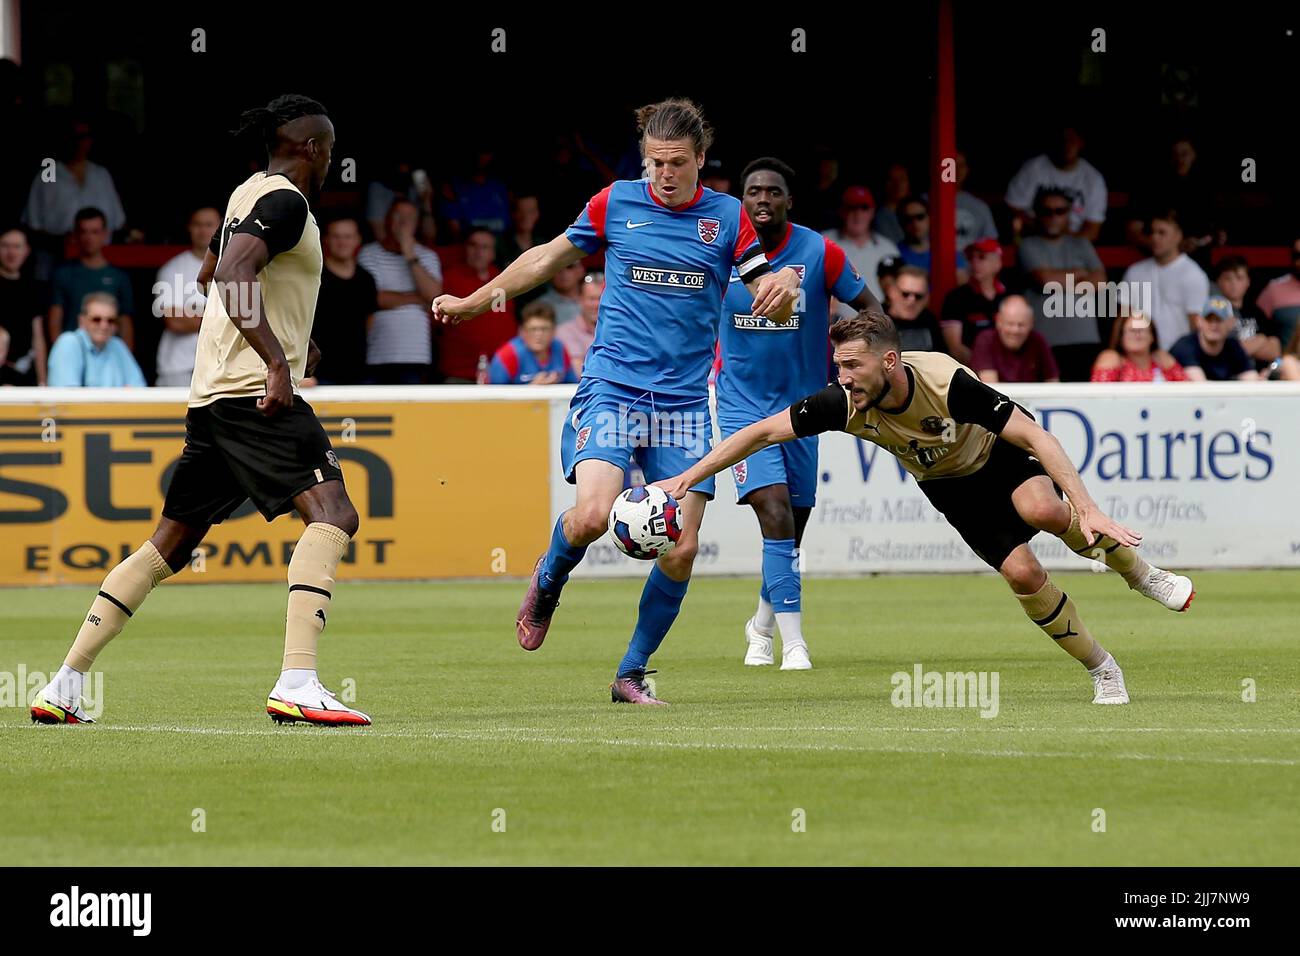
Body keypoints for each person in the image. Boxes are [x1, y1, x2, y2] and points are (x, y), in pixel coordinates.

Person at [432, 98, 800, 705]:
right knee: (593, 517)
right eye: (654, 162)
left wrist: (783, 286)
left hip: (682, 405)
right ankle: (548, 580)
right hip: (613, 386)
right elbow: (549, 257)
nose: (664, 174)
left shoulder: (728, 218)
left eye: (677, 163)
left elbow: (765, 283)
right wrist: (480, 298)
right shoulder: (615, 202)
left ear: (701, 161)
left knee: (682, 547)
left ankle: (631, 672)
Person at [30, 95, 370, 727]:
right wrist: (276, 360)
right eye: (329, 149)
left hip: (210, 396)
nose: (332, 161)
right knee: (334, 513)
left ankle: (64, 683)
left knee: (170, 543)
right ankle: (298, 678)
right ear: (311, 149)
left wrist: (295, 340)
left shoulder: (245, 193)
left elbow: (213, 271)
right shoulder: (286, 202)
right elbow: (235, 272)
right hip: (251, 392)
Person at [655, 311, 1195, 706]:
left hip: (995, 455)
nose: (841, 376)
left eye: (851, 365)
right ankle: (1103, 669)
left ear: (888, 361)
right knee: (1023, 574)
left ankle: (1141, 574)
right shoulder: (842, 403)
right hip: (950, 487)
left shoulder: (945, 381)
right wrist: (687, 478)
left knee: (1046, 511)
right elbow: (759, 433)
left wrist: (1089, 508)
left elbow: (1037, 437)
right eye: (837, 364)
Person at [718, 157, 877, 670]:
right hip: (743, 406)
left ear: (789, 201)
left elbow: (872, 311)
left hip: (805, 410)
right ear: (742, 201)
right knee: (776, 514)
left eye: (773, 192)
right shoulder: (719, 251)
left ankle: (761, 623)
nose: (762, 199)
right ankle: (793, 644)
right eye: (753, 192)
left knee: (793, 528)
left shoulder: (820, 252)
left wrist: (857, 358)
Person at [1017, 187, 1107, 381]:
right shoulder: (1028, 244)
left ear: (1069, 214)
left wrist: (1059, 279)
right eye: (1046, 211)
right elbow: (1046, 280)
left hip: (1085, 339)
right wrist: (1080, 273)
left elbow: (1100, 282)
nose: (1053, 216)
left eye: (1060, 211)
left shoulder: (1081, 244)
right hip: (1046, 341)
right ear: (1037, 214)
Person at [357, 198, 443, 384]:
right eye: (398, 216)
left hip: (416, 354)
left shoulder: (427, 256)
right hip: (378, 353)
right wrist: (419, 299)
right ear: (387, 219)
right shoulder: (369, 253)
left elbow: (435, 297)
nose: (403, 223)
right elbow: (375, 298)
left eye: (409, 217)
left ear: (417, 223)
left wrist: (410, 254)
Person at [1119, 209, 1209, 351]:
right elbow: (1122, 319)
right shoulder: (1134, 272)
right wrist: (1113, 352)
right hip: (1141, 358)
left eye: (1162, 233)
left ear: (1178, 236)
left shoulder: (1193, 274)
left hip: (1179, 358)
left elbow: (1196, 324)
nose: (1155, 238)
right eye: (1152, 232)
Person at [48, 207, 136, 350]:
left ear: (105, 234)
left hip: (109, 353)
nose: (89, 238)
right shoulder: (62, 274)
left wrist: (126, 358)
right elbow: (55, 321)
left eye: (95, 232)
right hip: (74, 351)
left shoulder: (119, 277)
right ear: (75, 235)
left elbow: (125, 322)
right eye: (83, 232)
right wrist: (61, 353)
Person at [438, 227, 517, 383]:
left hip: (500, 373)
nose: (478, 251)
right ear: (465, 248)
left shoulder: (501, 279)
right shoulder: (450, 278)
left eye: (485, 247)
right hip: (458, 373)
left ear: (493, 253)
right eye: (473, 245)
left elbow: (504, 319)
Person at [153, 206, 221, 386]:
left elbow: (246, 318)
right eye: (197, 224)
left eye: (209, 224)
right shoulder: (172, 269)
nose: (203, 230)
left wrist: (193, 315)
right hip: (179, 367)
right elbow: (174, 320)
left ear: (221, 228)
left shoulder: (235, 267)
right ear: (189, 228)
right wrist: (222, 318)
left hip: (222, 368)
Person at [1005, 126, 1107, 242]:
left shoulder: (1093, 178)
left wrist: (1064, 242)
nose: (1067, 145)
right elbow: (1013, 207)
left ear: (1081, 143)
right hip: (1034, 238)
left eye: (1072, 140)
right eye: (1062, 140)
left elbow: (1093, 230)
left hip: (1073, 242)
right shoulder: (1034, 168)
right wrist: (1042, 230)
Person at [309, 217, 377, 385]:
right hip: (318, 373)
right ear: (325, 239)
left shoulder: (366, 279)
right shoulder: (313, 277)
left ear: (357, 240)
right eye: (336, 236)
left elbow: (369, 323)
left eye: (348, 236)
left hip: (359, 370)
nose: (342, 242)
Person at [820, 185, 898, 305]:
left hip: (878, 321)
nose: (858, 214)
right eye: (852, 208)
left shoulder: (888, 248)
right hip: (834, 322)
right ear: (842, 211)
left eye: (864, 208)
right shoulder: (823, 242)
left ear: (872, 212)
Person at [46, 292, 144, 387]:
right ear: (82, 320)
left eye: (111, 321)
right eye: (96, 319)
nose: (104, 326)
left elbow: (139, 389)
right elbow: (68, 398)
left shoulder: (117, 345)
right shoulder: (69, 343)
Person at [940, 237, 1006, 363]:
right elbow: (955, 348)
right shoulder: (955, 298)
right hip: (972, 374)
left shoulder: (1010, 296)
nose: (974, 263)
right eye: (970, 258)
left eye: (981, 257)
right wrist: (984, 369)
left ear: (997, 263)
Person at [970, 294, 1059, 384]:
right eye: (1010, 324)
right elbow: (991, 388)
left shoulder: (1037, 340)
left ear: (1031, 323)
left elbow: (1053, 383)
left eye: (1021, 325)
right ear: (999, 321)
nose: (1015, 330)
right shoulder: (986, 340)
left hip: (1032, 397)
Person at [1169, 296, 1259, 382]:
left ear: (1231, 323)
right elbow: (1201, 388)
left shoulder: (1233, 346)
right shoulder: (1185, 346)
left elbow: (1252, 380)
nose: (1214, 325)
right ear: (1199, 321)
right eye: (1209, 320)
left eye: (1219, 320)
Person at [0, 224, 48, 384]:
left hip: (24, 371)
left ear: (26, 250)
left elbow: (38, 337)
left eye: (17, 246)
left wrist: (42, 381)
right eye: (5, 246)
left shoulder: (33, 288)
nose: (11, 253)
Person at [1212, 256, 1279, 368]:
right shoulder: (1214, 313)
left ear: (1248, 282)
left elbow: (1275, 350)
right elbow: (1222, 353)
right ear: (1218, 282)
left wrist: (1242, 348)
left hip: (1259, 378)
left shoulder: (1257, 312)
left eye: (1239, 278)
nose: (1233, 283)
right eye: (1228, 278)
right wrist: (1261, 340)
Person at [488, 301, 577, 385]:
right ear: (522, 331)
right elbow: (494, 397)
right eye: (533, 329)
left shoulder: (559, 348)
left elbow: (572, 386)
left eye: (544, 329)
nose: (539, 335)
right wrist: (531, 391)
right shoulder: (507, 355)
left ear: (554, 331)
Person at [1091, 313, 1187, 383]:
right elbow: (1099, 395)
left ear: (1152, 336)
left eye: (1142, 330)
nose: (1137, 335)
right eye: (1132, 331)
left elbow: (1188, 388)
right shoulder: (1113, 358)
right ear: (1121, 337)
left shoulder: (1161, 358)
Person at [884, 265, 947, 353]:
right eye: (905, 294)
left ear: (927, 298)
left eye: (918, 296)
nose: (911, 301)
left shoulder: (930, 321)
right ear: (891, 291)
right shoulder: (875, 320)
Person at [556, 271, 601, 375]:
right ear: (580, 300)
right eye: (591, 299)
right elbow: (579, 373)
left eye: (600, 298)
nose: (596, 305)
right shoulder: (565, 332)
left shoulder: (618, 331)